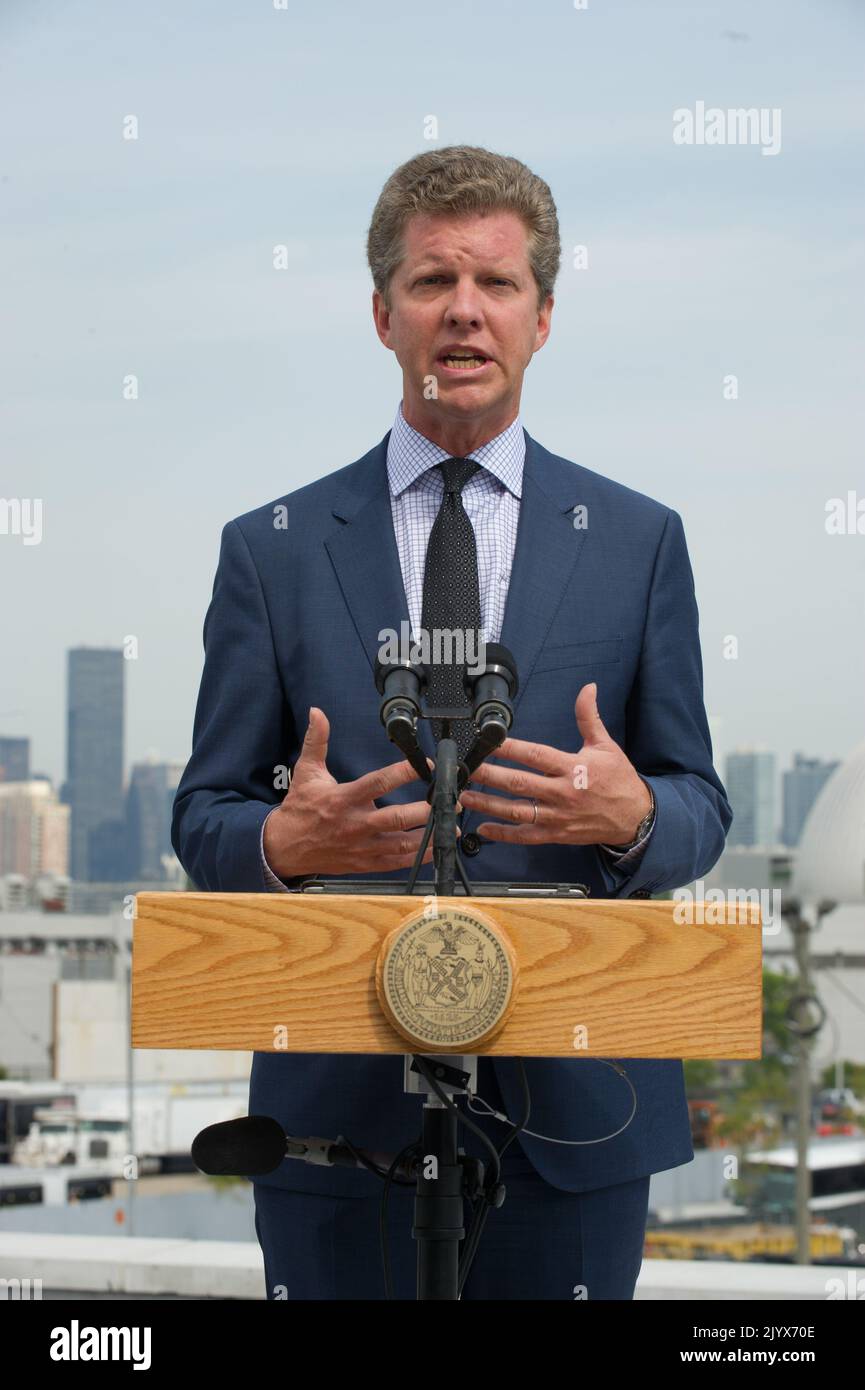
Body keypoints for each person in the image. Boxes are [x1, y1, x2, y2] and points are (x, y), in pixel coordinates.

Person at [171, 145, 732, 1300]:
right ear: (382, 315)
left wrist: (634, 818)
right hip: (340, 1121)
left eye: (496, 284)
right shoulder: (270, 552)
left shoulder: (640, 542)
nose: (463, 312)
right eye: (431, 283)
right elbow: (204, 815)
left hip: (578, 1117)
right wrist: (283, 844)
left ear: (542, 318)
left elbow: (697, 804)